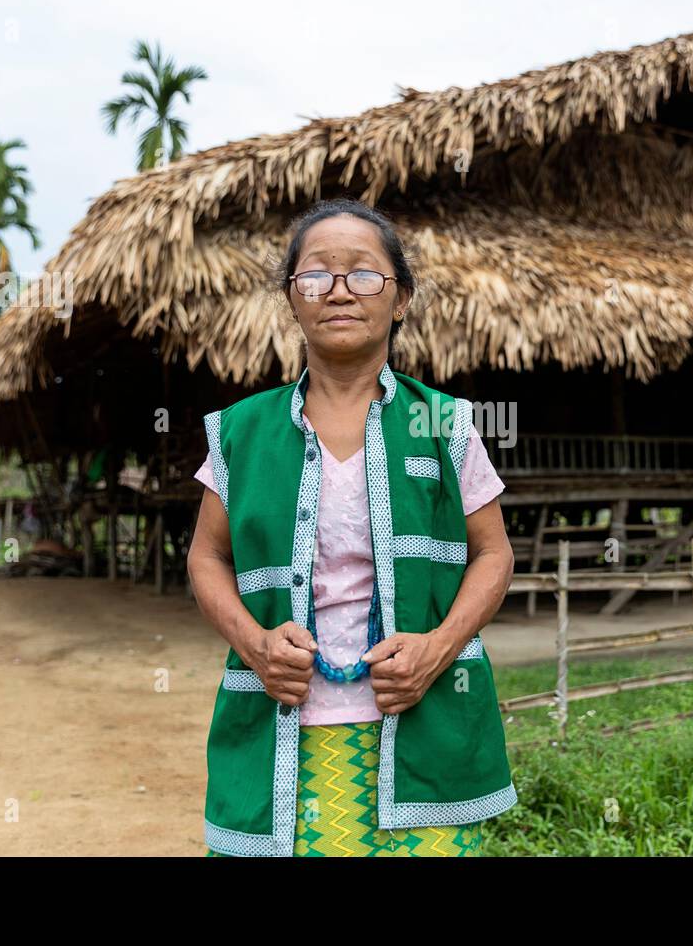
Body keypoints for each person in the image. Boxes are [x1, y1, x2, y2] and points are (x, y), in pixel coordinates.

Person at [187, 198, 518, 857]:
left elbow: (493, 553)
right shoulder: (243, 431)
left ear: (400, 300)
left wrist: (438, 648)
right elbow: (206, 556)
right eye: (317, 275)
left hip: (426, 727)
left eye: (364, 274)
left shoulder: (443, 423)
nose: (339, 290)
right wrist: (255, 644)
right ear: (292, 298)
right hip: (280, 730)